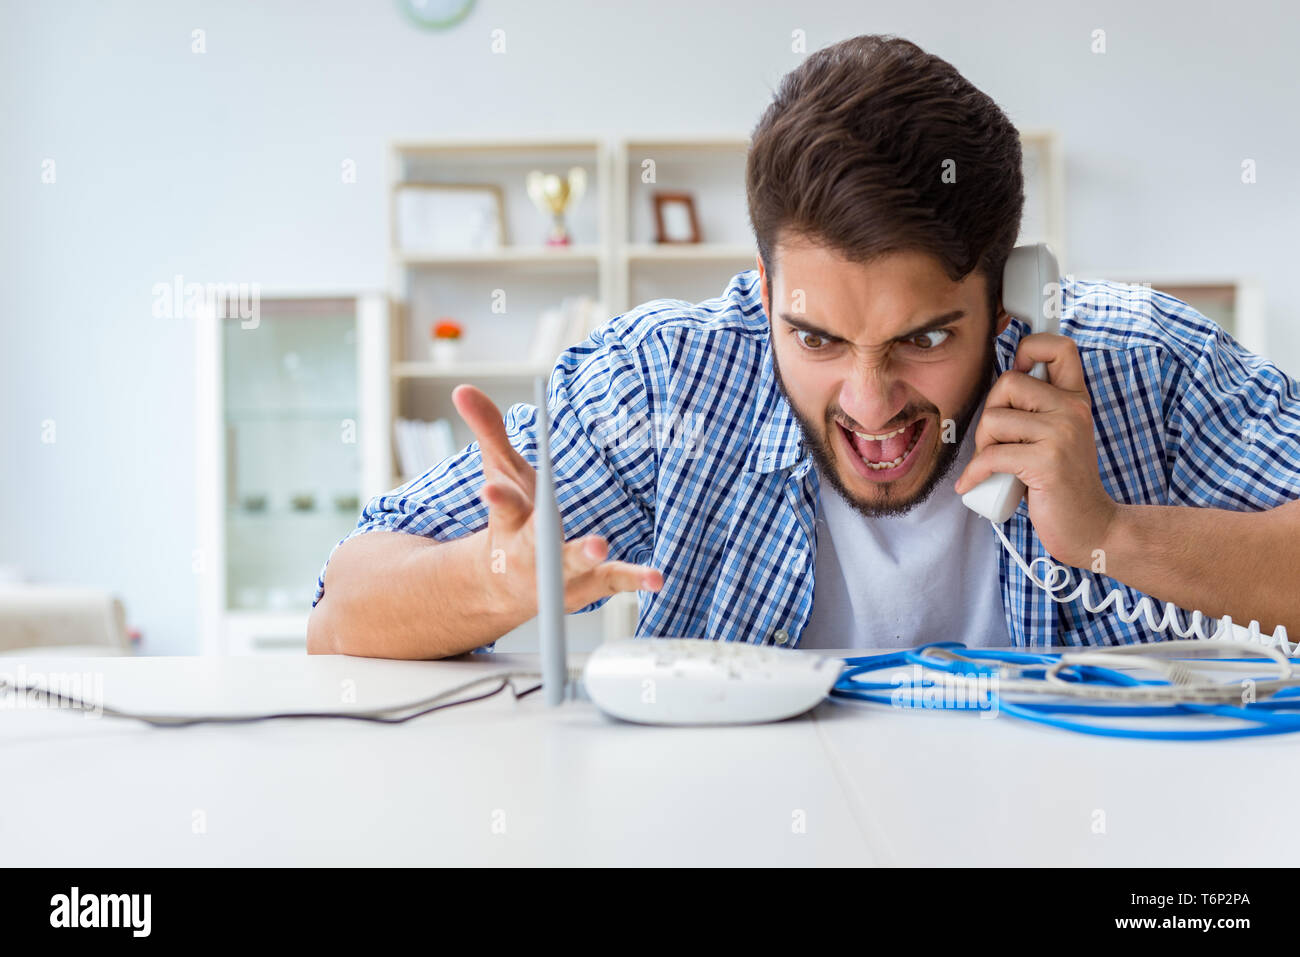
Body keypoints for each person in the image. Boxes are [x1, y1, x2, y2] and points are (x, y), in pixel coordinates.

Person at [307, 34, 1300, 659]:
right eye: (816, 336)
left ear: (1011, 298)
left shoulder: (1140, 364)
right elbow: (340, 607)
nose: (868, 402)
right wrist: (489, 580)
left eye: (924, 337)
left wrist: (1111, 534)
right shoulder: (666, 381)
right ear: (764, 286)